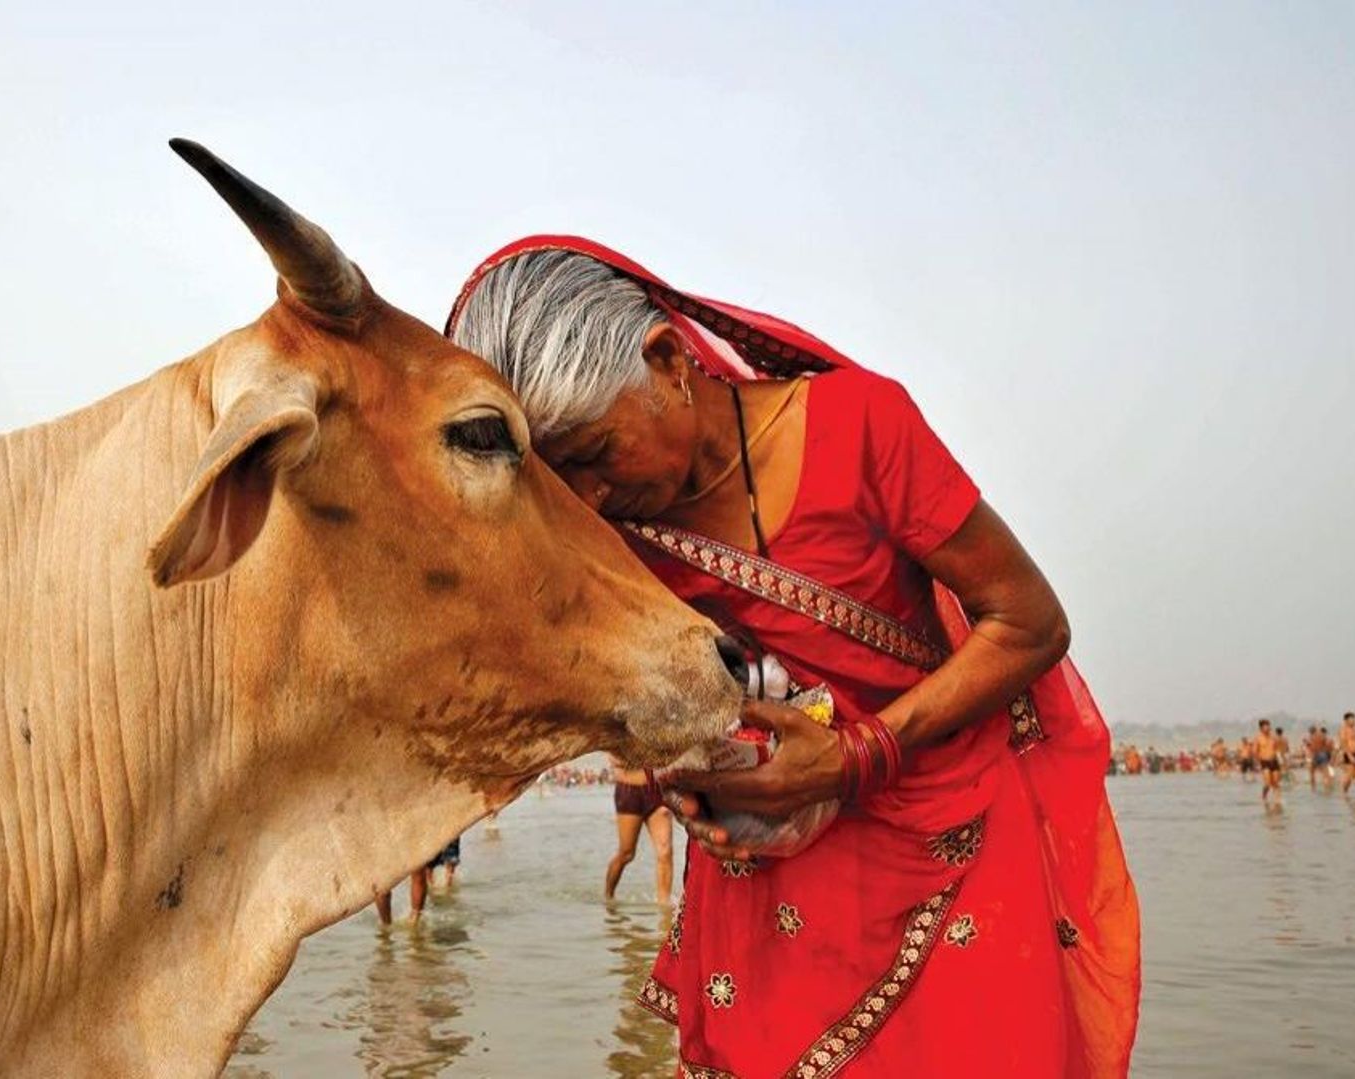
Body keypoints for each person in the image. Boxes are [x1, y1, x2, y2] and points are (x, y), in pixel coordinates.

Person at [447, 238, 1140, 1078]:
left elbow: (1029, 622)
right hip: (765, 882)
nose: (590, 499)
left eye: (596, 455)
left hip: (945, 843)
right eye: (567, 481)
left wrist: (851, 758)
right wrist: (690, 777)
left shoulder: (860, 428)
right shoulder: (615, 540)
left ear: (667, 360)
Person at [606, 753, 677, 905]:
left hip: (657, 791)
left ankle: (664, 906)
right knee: (626, 854)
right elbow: (616, 759)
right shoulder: (619, 730)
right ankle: (608, 896)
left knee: (665, 851)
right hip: (629, 791)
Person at [1255, 719, 1283, 808]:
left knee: (1276, 783)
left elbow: (1277, 750)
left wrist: (1281, 760)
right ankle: (1264, 797)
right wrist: (1257, 763)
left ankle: (1277, 801)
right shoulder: (1258, 738)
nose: (1268, 728)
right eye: (1266, 726)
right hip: (1264, 762)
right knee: (1267, 784)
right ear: (1261, 728)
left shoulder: (1273, 738)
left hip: (1274, 762)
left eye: (1268, 726)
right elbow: (1255, 752)